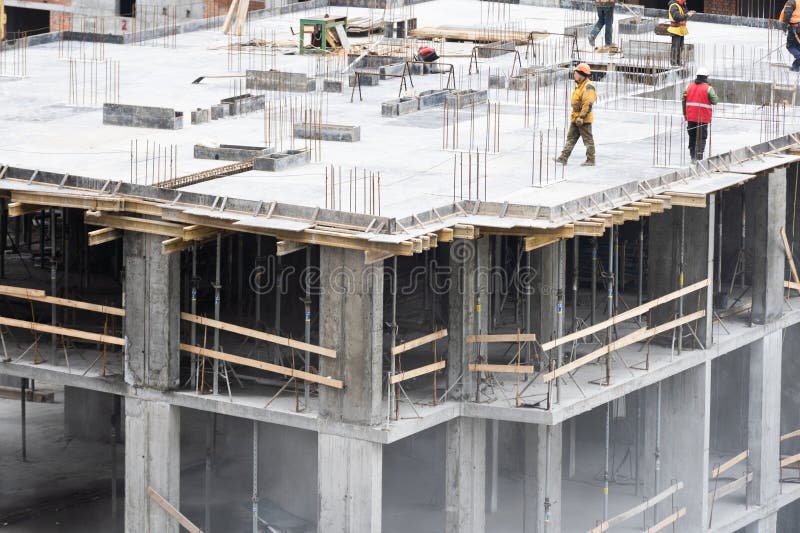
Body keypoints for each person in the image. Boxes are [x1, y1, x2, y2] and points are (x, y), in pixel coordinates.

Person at [556, 63, 597, 166]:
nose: (574, 74)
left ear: (581, 74)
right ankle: (563, 158)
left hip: (583, 119)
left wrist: (581, 117)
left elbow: (588, 104)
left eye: (576, 73)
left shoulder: (588, 87)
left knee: (587, 140)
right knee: (571, 138)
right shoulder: (580, 85)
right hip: (575, 118)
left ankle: (591, 160)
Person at [681, 67, 718, 163]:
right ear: (705, 78)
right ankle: (699, 156)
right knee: (701, 137)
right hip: (703, 118)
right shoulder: (709, 89)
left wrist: (685, 114)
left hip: (691, 117)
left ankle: (692, 155)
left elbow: (683, 101)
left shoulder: (688, 87)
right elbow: (715, 101)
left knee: (692, 136)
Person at [667, 0, 696, 66]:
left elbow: (684, 14)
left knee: (680, 47)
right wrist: (687, 14)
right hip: (675, 30)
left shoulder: (681, 5)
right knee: (675, 48)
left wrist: (688, 13)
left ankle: (678, 62)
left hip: (681, 30)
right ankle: (674, 63)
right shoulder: (674, 6)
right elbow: (677, 17)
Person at [780, 1, 800, 71]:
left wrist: (784, 26)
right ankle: (795, 66)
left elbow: (787, 13)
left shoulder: (792, 2)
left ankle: (796, 65)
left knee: (790, 46)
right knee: (797, 46)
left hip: (794, 27)